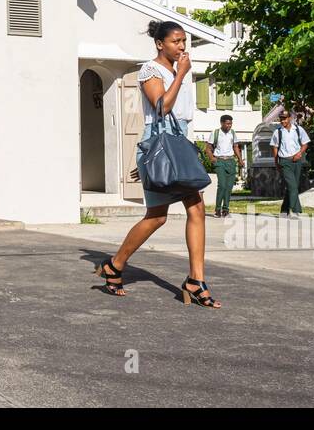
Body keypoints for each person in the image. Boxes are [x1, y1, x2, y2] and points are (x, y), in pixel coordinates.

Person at [94, 20, 220, 308]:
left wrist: (182, 74)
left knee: (197, 208)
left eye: (184, 41)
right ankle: (115, 265)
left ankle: (195, 280)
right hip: (161, 145)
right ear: (160, 43)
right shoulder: (150, 70)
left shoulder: (179, 72)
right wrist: (181, 76)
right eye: (176, 41)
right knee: (157, 216)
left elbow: (182, 117)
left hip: (179, 146)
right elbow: (162, 107)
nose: (182, 47)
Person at [272, 109, 310, 216]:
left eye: (284, 119)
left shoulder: (298, 129)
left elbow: (305, 143)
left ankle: (284, 211)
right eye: (281, 119)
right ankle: (296, 210)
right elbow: (274, 148)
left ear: (290, 118)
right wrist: (276, 163)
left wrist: (300, 153)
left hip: (297, 161)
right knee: (292, 186)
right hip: (284, 161)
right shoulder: (277, 132)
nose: (282, 121)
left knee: (292, 187)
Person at [207, 113, 243, 218]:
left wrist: (240, 159)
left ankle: (226, 209)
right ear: (222, 123)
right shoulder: (215, 133)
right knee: (222, 185)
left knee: (229, 187)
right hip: (220, 161)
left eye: (230, 124)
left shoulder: (232, 133)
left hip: (231, 161)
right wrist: (212, 159)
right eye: (227, 124)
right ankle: (217, 209)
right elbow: (208, 148)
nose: (229, 126)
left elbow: (236, 146)